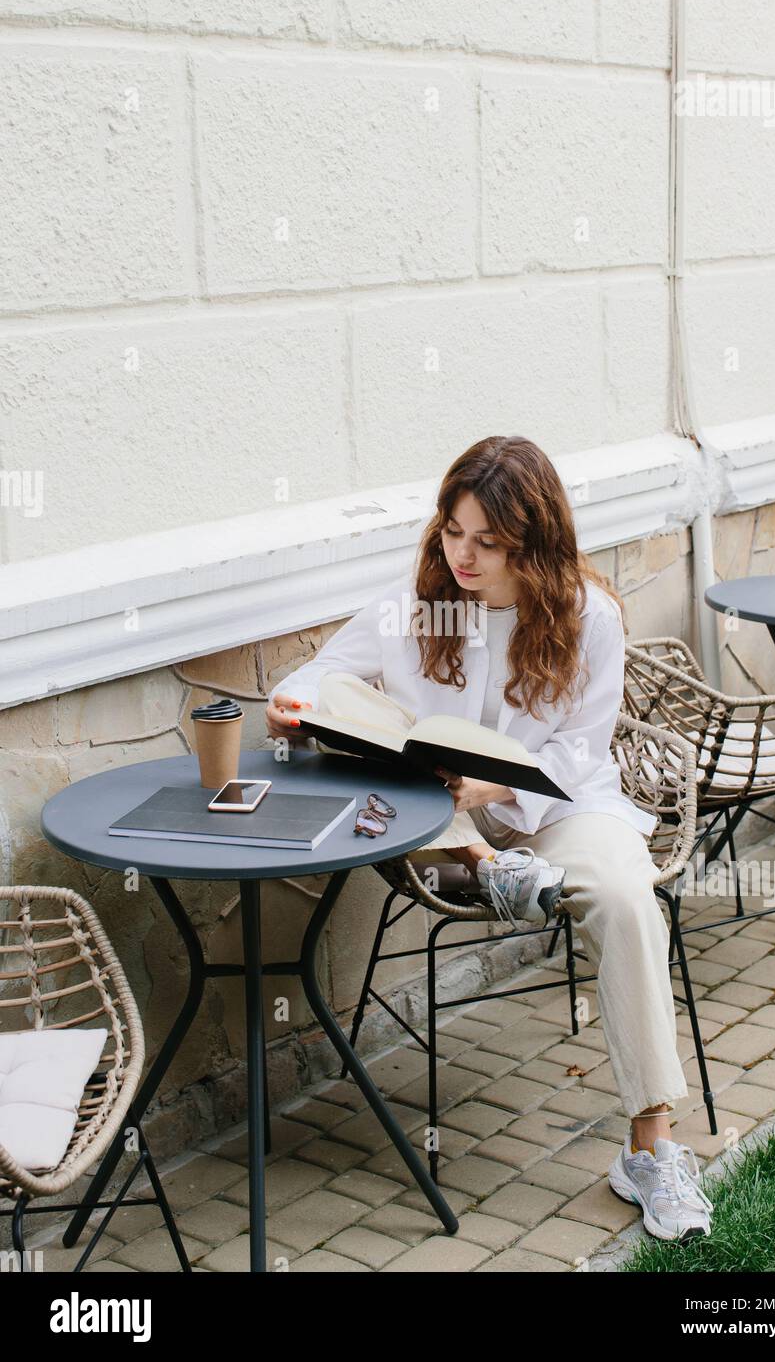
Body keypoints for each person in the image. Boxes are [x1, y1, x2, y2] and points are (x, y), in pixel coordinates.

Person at [266, 436, 713, 1242]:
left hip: (554, 810)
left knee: (623, 895)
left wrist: (498, 782)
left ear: (532, 546)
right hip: (436, 821)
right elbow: (316, 678)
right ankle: (487, 865)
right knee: (383, 751)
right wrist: (292, 708)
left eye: (488, 541)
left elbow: (583, 748)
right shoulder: (415, 603)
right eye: (452, 530)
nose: (461, 555)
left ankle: (651, 1149)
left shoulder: (589, 616)